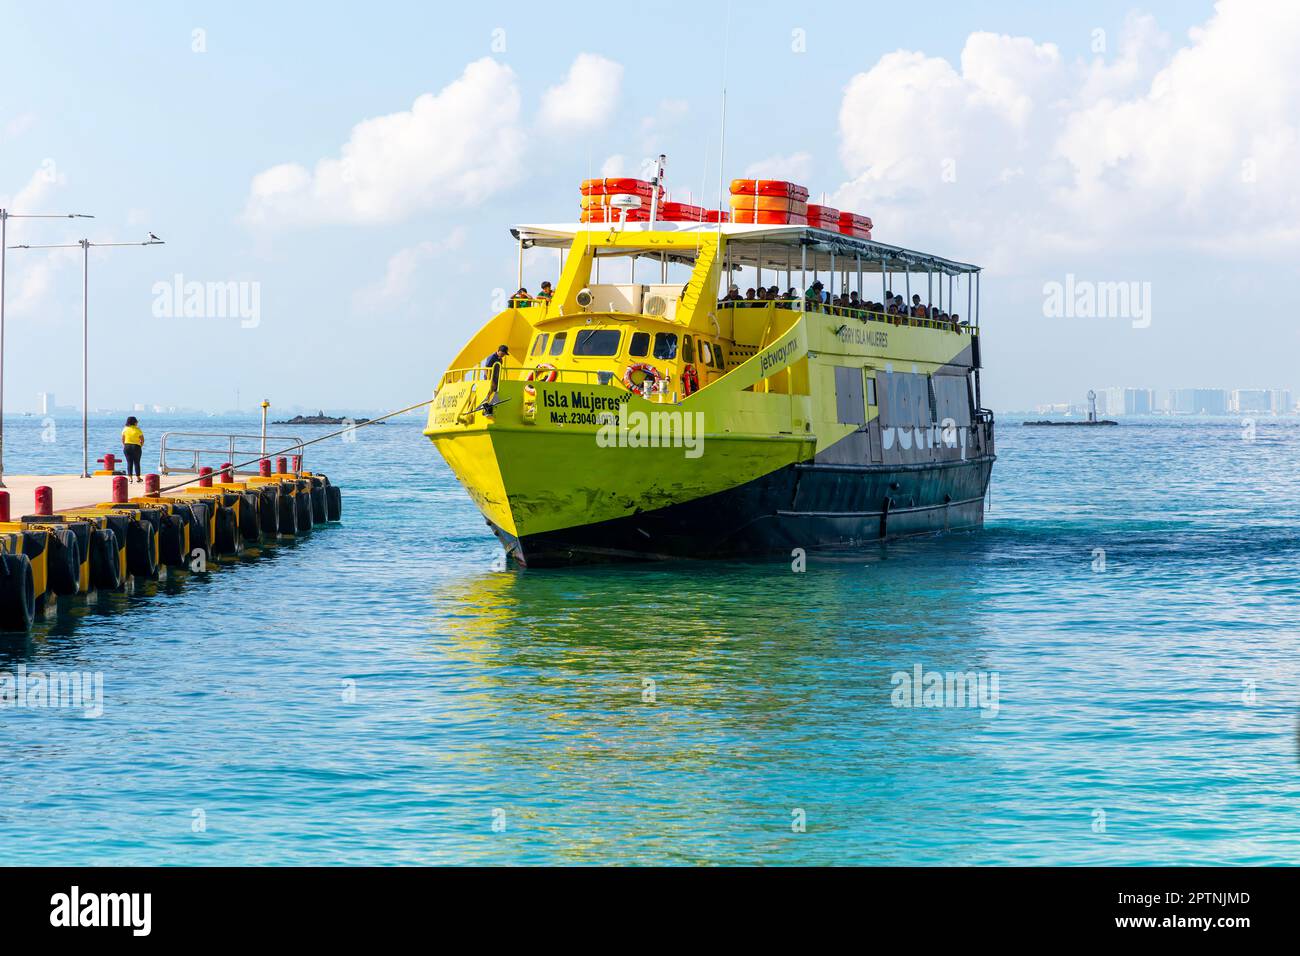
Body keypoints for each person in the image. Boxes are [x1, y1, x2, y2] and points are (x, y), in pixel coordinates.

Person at [481, 345, 509, 416]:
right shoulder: (492, 357)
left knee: (497, 389)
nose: (503, 355)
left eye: (504, 354)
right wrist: (490, 380)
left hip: (496, 377)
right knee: (492, 387)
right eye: (503, 354)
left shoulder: (500, 359)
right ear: (499, 351)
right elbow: (486, 369)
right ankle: (485, 400)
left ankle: (490, 404)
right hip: (490, 377)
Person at [121, 416, 145, 483]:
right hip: (136, 447)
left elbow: (123, 439)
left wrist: (125, 445)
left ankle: (130, 478)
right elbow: (142, 439)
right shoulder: (138, 429)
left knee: (129, 462)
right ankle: (138, 478)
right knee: (137, 462)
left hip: (127, 446)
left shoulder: (125, 429)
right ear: (134, 422)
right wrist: (141, 445)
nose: (137, 422)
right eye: (136, 421)